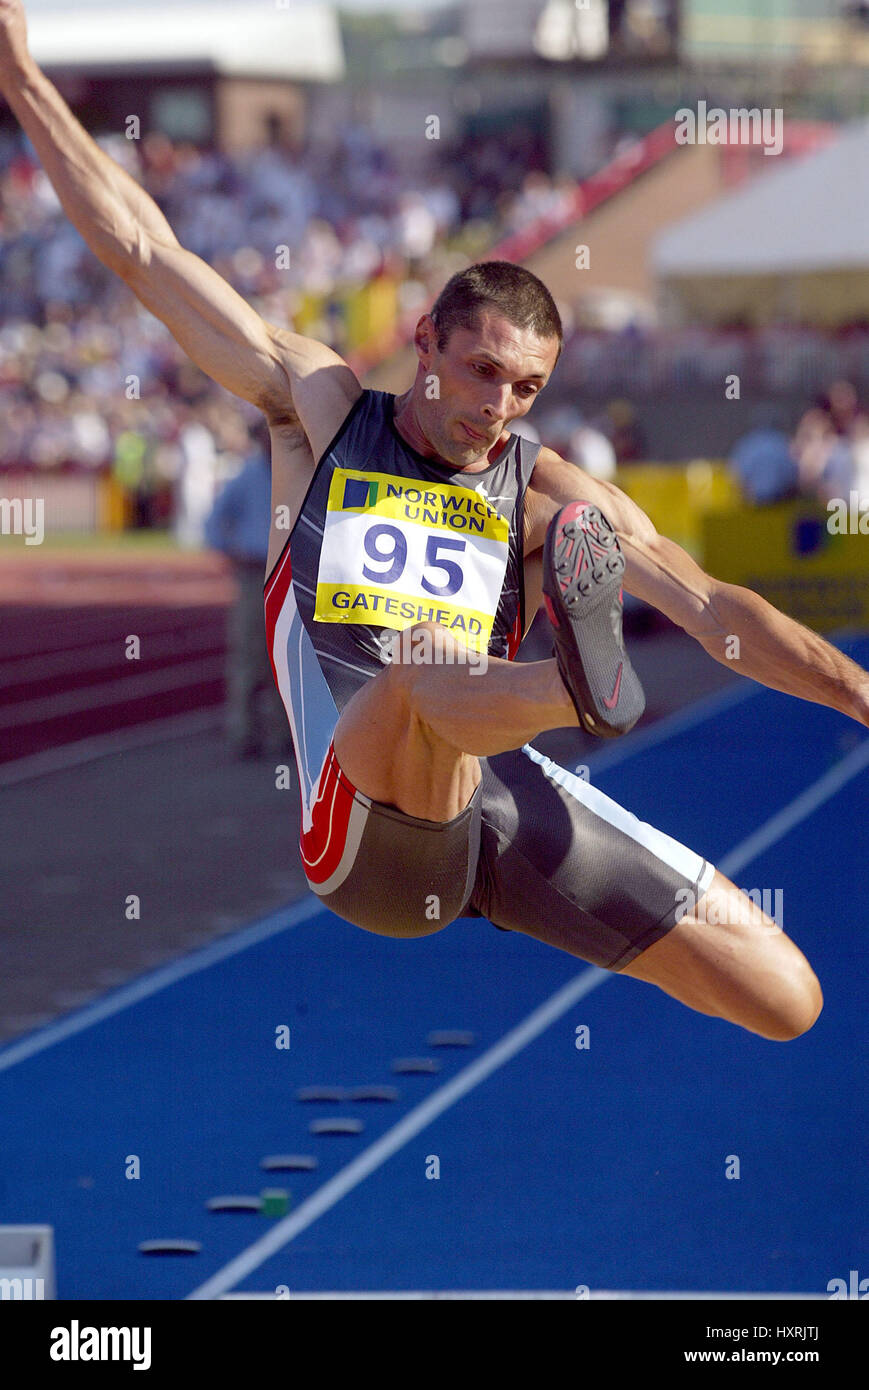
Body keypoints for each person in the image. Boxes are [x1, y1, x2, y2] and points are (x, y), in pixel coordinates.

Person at [6, 0, 868, 1043]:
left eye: (526, 386)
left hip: (486, 804)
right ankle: (568, 685)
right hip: (358, 822)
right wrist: (19, 79)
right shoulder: (316, 406)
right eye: (481, 370)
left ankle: (558, 694)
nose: (497, 405)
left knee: (784, 998)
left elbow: (713, 608)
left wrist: (857, 696)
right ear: (425, 341)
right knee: (414, 672)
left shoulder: (546, 485)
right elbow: (144, 249)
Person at [204, 419, 291, 759]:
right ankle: (244, 733)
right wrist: (230, 551)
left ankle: (282, 736)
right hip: (256, 574)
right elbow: (213, 522)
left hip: (290, 573)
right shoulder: (246, 476)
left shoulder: (298, 472)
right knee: (248, 655)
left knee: (284, 657)